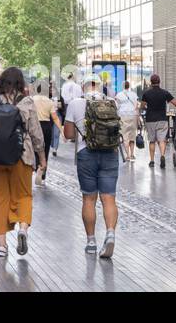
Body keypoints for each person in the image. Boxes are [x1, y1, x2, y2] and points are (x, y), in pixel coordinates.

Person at [0, 67, 46, 258]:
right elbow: (36, 133)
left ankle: (2, 246)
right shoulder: (26, 102)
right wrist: (42, 157)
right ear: (21, 83)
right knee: (24, 195)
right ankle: (22, 228)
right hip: (21, 155)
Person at [64, 75, 120, 258]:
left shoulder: (75, 103)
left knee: (89, 199)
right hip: (110, 153)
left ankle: (91, 242)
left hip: (85, 153)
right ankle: (110, 233)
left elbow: (69, 134)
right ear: (100, 86)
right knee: (109, 198)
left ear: (83, 87)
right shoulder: (112, 102)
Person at [138, 73, 176, 169]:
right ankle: (162, 156)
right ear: (159, 82)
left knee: (152, 141)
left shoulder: (146, 94)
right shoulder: (165, 93)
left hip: (150, 119)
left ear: (151, 83)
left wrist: (142, 110)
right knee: (162, 140)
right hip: (162, 119)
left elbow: (142, 107)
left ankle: (152, 161)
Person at [30, 82, 61, 182]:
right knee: (45, 149)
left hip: (34, 125)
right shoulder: (49, 101)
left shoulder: (32, 99)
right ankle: (43, 172)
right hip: (46, 126)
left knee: (33, 148)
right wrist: (62, 130)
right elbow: (55, 118)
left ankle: (35, 167)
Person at [114, 79, 141, 163]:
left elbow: (116, 106)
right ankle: (132, 154)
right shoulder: (133, 94)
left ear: (123, 86)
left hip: (123, 116)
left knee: (125, 136)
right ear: (129, 86)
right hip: (133, 115)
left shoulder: (119, 95)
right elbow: (137, 106)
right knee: (132, 136)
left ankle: (128, 156)